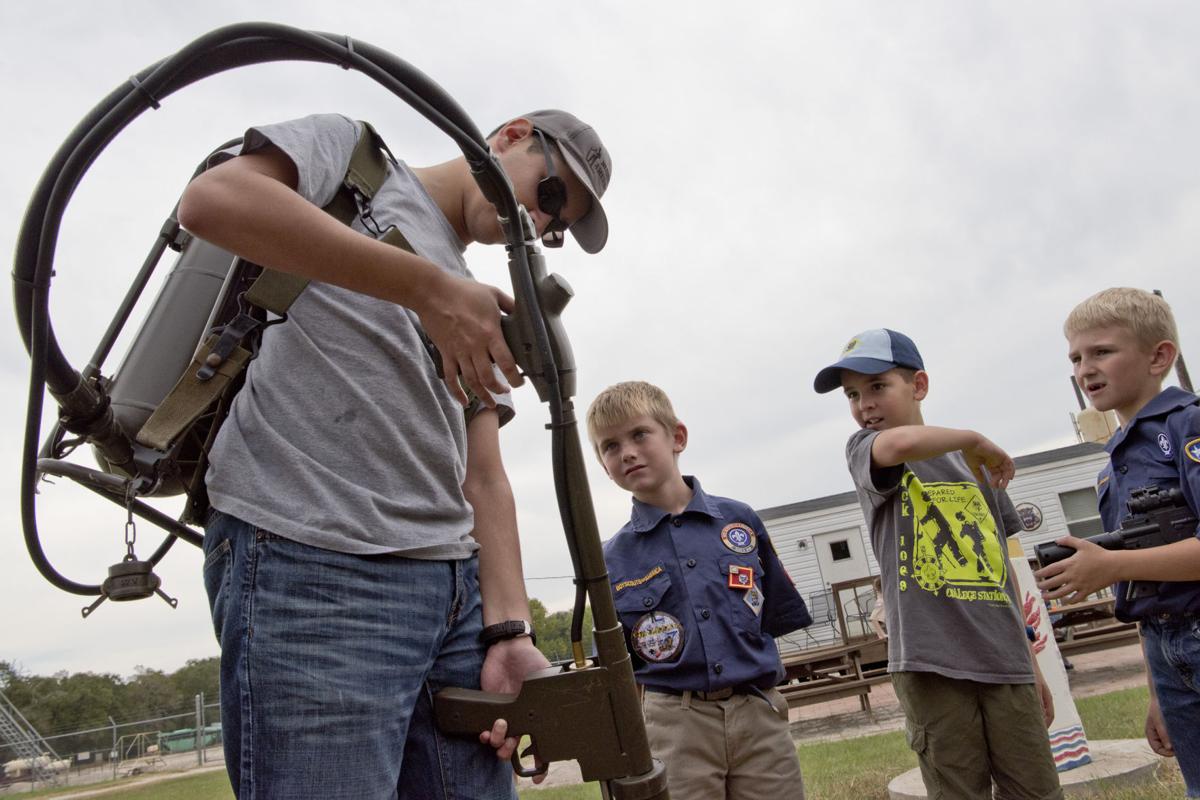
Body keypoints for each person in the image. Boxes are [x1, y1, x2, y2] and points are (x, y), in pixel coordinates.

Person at [177, 109, 612, 799]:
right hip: (314, 566)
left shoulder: (473, 306)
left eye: (554, 226)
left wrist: (506, 633)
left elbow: (486, 477)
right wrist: (427, 288)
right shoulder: (355, 163)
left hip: (452, 597)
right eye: (550, 192)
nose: (540, 220)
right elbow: (212, 201)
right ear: (511, 135)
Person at [813, 329, 1062, 800]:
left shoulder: (975, 464)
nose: (864, 404)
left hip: (1005, 660)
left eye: (877, 386)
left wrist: (1033, 663)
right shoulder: (866, 451)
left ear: (918, 385)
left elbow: (1000, 569)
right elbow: (901, 447)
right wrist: (974, 436)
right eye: (852, 394)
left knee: (1037, 790)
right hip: (932, 664)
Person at [586, 381, 811, 799]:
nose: (627, 452)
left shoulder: (739, 523)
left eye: (639, 434)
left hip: (757, 711)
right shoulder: (610, 560)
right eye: (610, 446)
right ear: (603, 465)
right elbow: (616, 671)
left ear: (677, 437)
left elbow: (772, 617)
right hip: (674, 723)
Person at [1035, 287, 1200, 796]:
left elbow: (1123, 568)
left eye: (1102, 351)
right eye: (1076, 358)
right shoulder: (1110, 470)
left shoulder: (1188, 424)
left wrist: (1112, 567)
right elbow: (1142, 587)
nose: (1085, 369)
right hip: (1164, 644)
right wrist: (1157, 688)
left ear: (1159, 356)